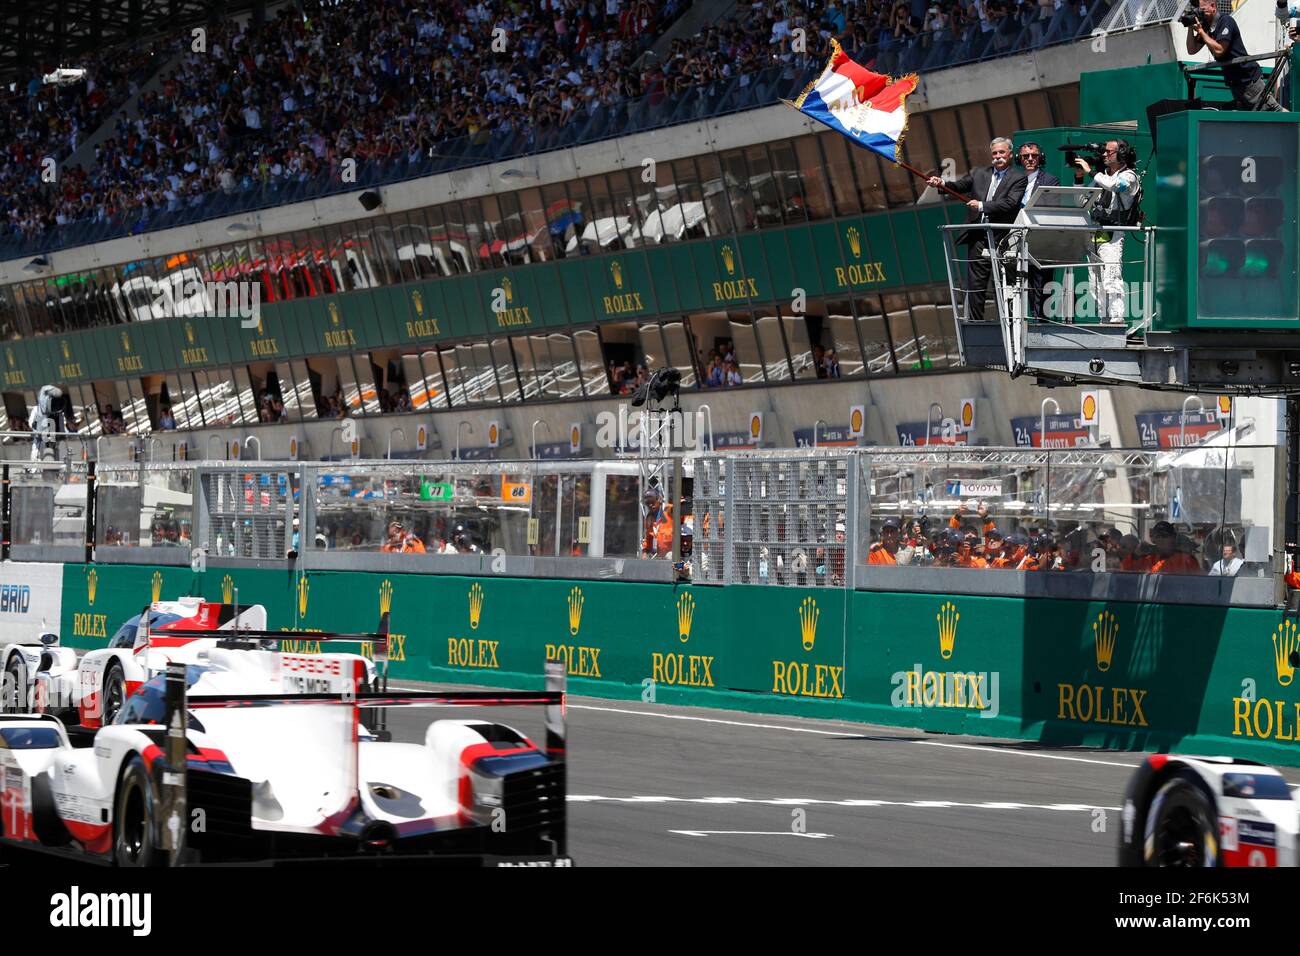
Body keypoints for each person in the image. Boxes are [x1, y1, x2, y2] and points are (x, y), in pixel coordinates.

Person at [926, 137, 1028, 322]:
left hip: (1002, 237)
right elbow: (959, 186)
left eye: (1001, 152)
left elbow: (1010, 204)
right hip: (978, 236)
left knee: (1004, 283)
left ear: (1010, 154)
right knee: (976, 285)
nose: (998, 156)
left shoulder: (1018, 177)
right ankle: (975, 323)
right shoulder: (979, 173)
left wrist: (982, 206)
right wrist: (942, 183)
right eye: (995, 153)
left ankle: (1009, 323)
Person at [1072, 139, 1141, 325]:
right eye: (1103, 152)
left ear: (1122, 153)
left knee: (1112, 275)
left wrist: (1091, 172)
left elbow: (1115, 186)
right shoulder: (1100, 177)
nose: (1104, 155)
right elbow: (1080, 202)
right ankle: (1104, 319)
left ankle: (1117, 318)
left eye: (1109, 152)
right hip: (1095, 232)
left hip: (1113, 233)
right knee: (1095, 280)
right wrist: (1079, 178)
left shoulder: (1130, 176)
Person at [1185, 0, 1282, 111]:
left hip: (1248, 80)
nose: (1199, 13)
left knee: (1274, 112)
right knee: (1250, 120)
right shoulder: (1207, 27)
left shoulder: (1225, 21)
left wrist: (1201, 31)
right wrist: (1190, 27)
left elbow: (1220, 50)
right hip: (1235, 82)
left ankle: (1296, 125)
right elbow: (1191, 49)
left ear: (1213, 6)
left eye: (1201, 10)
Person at [1017, 141, 1060, 318]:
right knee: (1022, 283)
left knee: (1042, 283)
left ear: (1040, 157)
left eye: (1033, 155)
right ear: (1018, 159)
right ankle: (1023, 321)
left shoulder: (1049, 180)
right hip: (1017, 238)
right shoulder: (1013, 180)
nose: (1029, 159)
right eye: (1025, 156)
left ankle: (1042, 322)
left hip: (1041, 239)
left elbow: (1052, 208)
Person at [642, 485, 674, 557]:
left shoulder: (668, 510)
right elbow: (648, 538)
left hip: (672, 553)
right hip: (657, 554)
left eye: (652, 502)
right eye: (648, 503)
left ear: (659, 499)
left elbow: (679, 509)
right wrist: (645, 550)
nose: (650, 505)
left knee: (670, 556)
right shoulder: (649, 518)